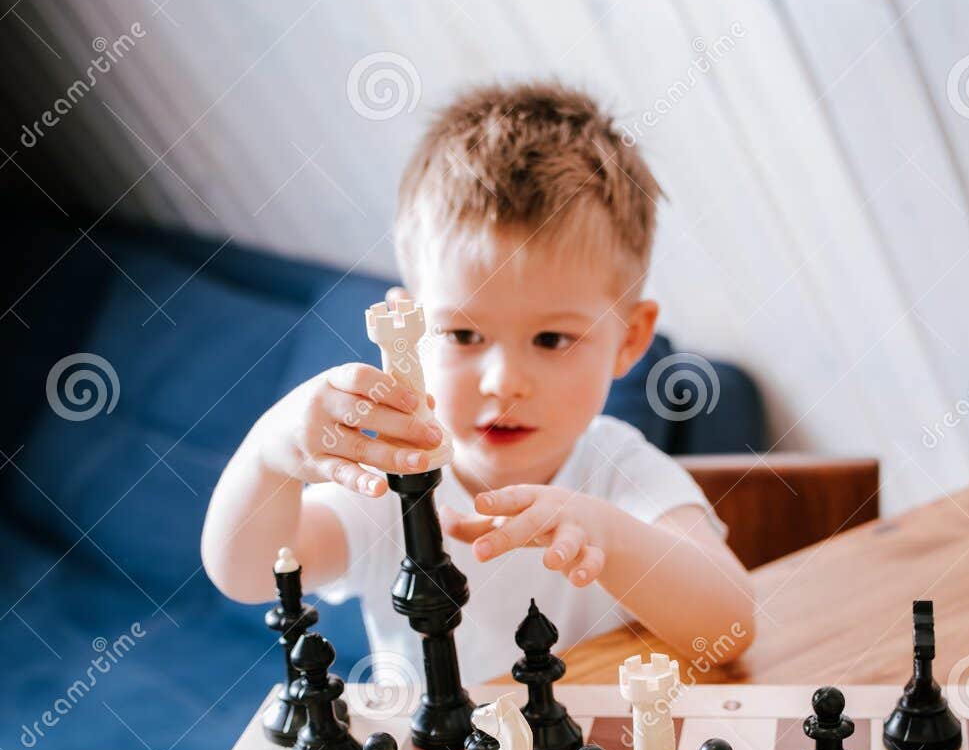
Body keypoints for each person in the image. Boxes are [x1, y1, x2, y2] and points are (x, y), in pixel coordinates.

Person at [201, 82, 755, 680]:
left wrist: (610, 536)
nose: (504, 382)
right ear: (410, 329)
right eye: (464, 336)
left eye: (552, 339)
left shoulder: (619, 470)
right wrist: (267, 454)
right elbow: (248, 575)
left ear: (630, 339)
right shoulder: (395, 484)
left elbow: (730, 629)